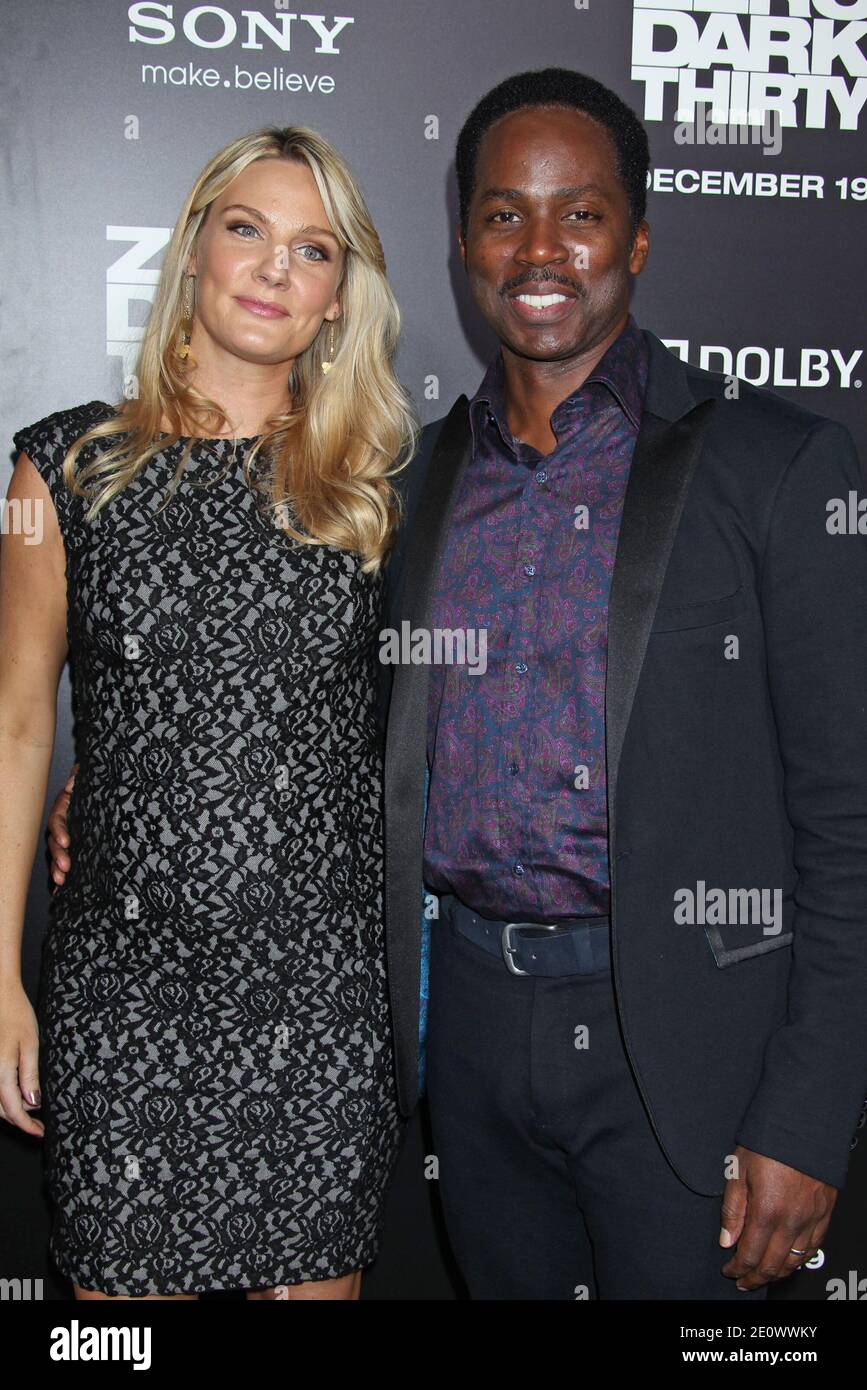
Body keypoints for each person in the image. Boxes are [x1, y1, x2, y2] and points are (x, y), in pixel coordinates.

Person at [379, 69, 867, 1298]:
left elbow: (849, 819)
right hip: (469, 1033)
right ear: (464, 243)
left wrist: (811, 1113)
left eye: (581, 213)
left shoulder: (777, 464)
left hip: (694, 1050)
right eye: (504, 214)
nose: (540, 248)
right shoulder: (412, 483)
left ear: (637, 239)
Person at [2, 124, 416, 1300]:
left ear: (339, 297)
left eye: (314, 249)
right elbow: (18, 726)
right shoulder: (63, 470)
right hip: (124, 991)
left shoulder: (381, 490)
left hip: (320, 999)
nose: (275, 267)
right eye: (247, 229)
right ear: (191, 249)